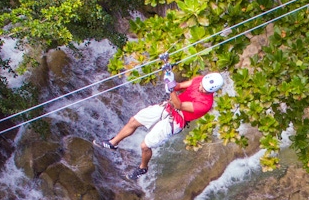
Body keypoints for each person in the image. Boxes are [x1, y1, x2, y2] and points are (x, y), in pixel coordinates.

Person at [93, 72, 225, 179]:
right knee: (134, 121)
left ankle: (142, 168)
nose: (201, 88)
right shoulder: (199, 80)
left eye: (205, 90)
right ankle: (113, 143)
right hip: (168, 107)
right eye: (202, 85)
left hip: (176, 120)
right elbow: (179, 86)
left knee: (145, 146)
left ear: (211, 92)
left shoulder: (205, 105)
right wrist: (170, 79)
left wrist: (171, 89)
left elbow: (178, 105)